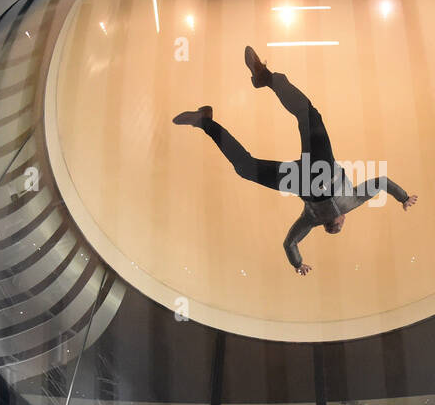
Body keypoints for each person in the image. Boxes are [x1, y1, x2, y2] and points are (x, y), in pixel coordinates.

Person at [174, 46, 418, 275]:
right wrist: (403, 197)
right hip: (321, 170)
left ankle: (206, 120)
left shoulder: (314, 219)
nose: (334, 228)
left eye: (331, 229)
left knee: (248, 166)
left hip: (301, 181)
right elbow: (382, 182)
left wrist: (298, 264)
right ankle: (264, 79)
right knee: (309, 115)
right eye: (338, 227)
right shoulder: (349, 203)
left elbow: (290, 243)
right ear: (343, 219)